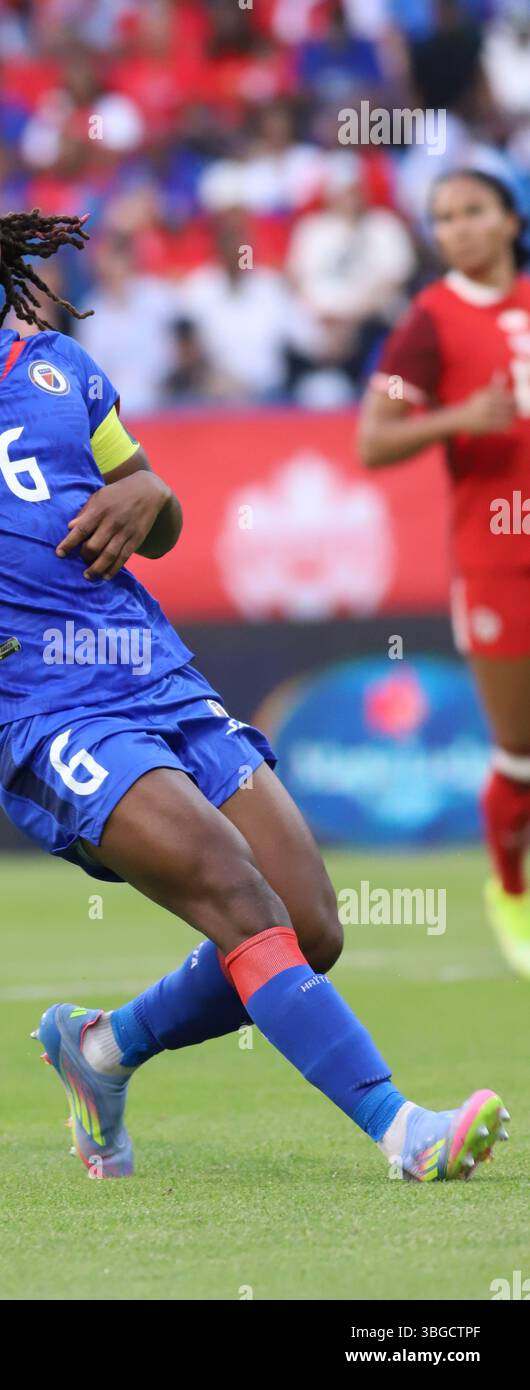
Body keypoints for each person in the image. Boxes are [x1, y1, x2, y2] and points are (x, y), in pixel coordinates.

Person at [0, 164, 508, 1182]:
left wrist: (147, 489)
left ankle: (100, 1047)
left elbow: (158, 519)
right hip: (39, 710)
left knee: (310, 925)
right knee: (239, 900)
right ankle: (400, 1128)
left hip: (154, 675)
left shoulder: (65, 367)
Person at [359, 168, 530, 980]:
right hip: (498, 562)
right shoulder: (430, 320)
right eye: (443, 217)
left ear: (508, 219)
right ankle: (508, 889)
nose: (457, 228)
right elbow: (372, 441)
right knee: (520, 753)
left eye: (472, 212)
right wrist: (460, 418)